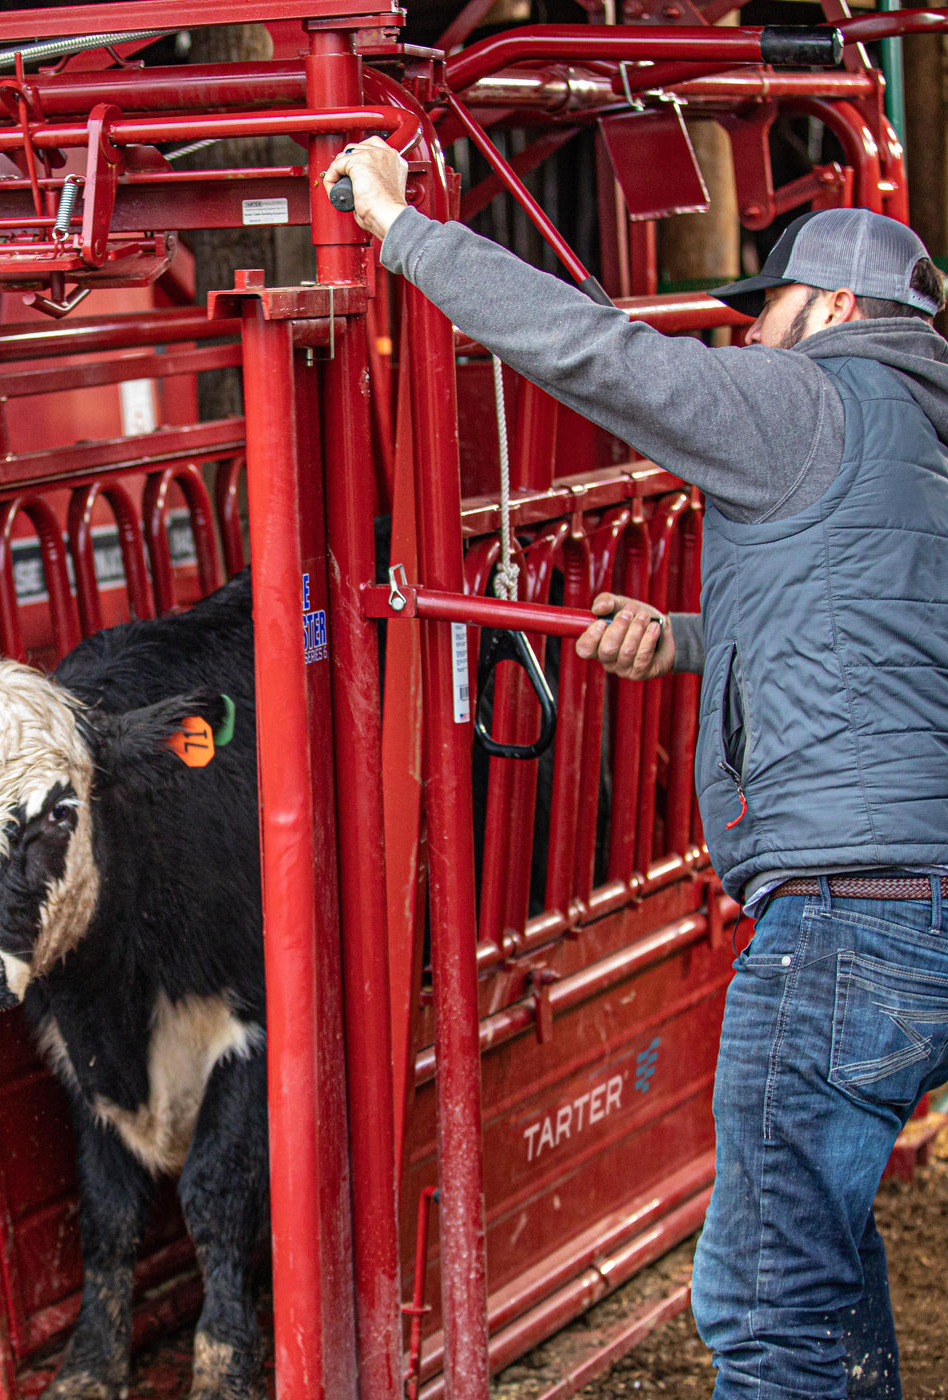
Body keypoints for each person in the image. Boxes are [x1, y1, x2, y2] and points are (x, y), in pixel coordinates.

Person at [325, 139, 948, 1400]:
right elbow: (880, 637)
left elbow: (597, 355)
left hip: (839, 920)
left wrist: (400, 231)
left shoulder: (802, 398)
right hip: (919, 911)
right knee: (814, 1269)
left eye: (764, 310)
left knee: (763, 1303)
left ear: (828, 308)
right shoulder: (921, 447)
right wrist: (678, 642)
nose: (752, 340)